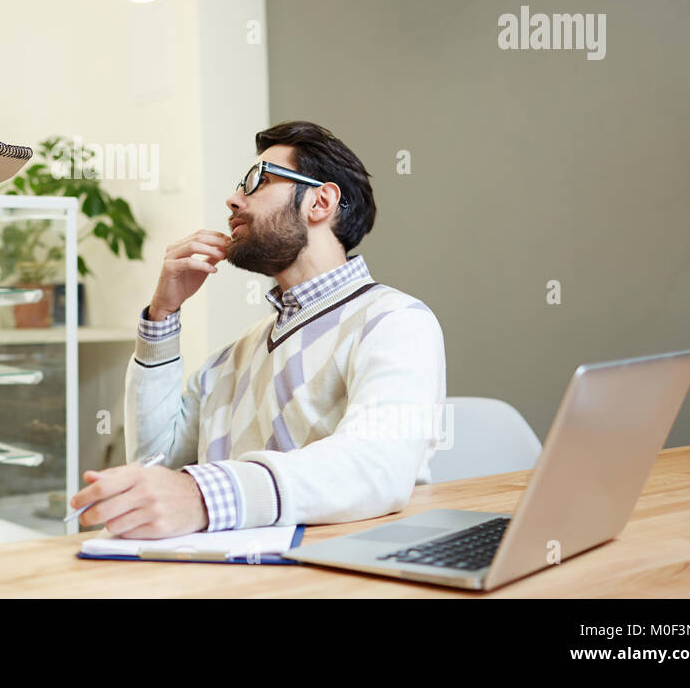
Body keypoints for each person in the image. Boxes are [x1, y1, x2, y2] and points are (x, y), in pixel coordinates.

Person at [69, 119, 447, 537]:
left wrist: (202, 497)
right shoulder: (231, 359)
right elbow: (155, 463)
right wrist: (162, 313)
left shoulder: (396, 322)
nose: (233, 200)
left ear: (320, 202)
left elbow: (377, 467)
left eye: (256, 181)